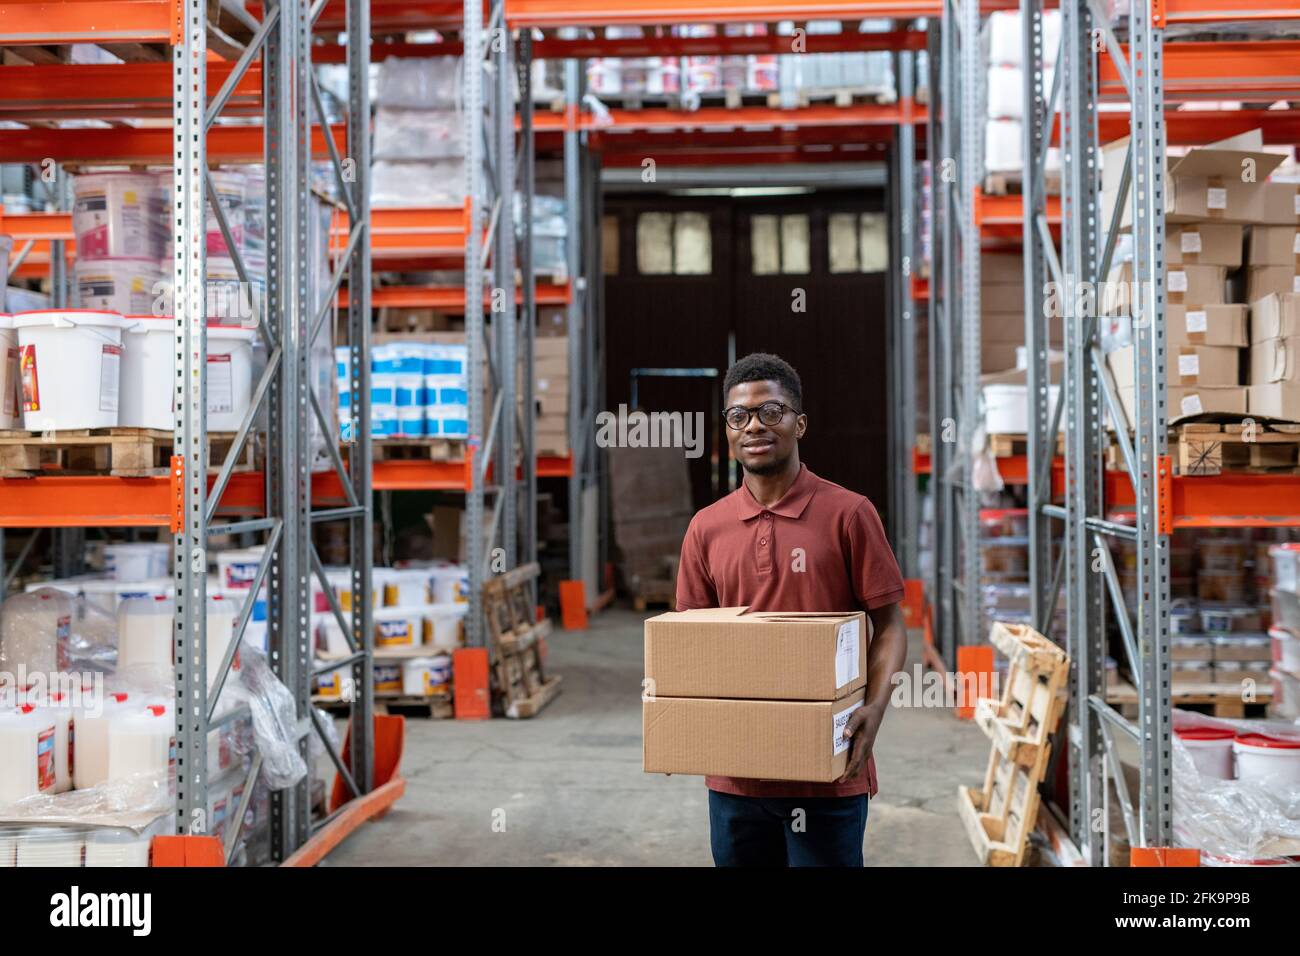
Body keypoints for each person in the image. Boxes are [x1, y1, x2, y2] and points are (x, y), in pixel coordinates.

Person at [674, 352, 908, 867]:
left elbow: (889, 625)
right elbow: (688, 644)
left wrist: (874, 707)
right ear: (727, 432)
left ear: (799, 423)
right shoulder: (706, 528)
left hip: (828, 771)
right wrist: (678, 719)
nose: (754, 425)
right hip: (735, 776)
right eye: (739, 417)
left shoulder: (849, 514)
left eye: (771, 412)